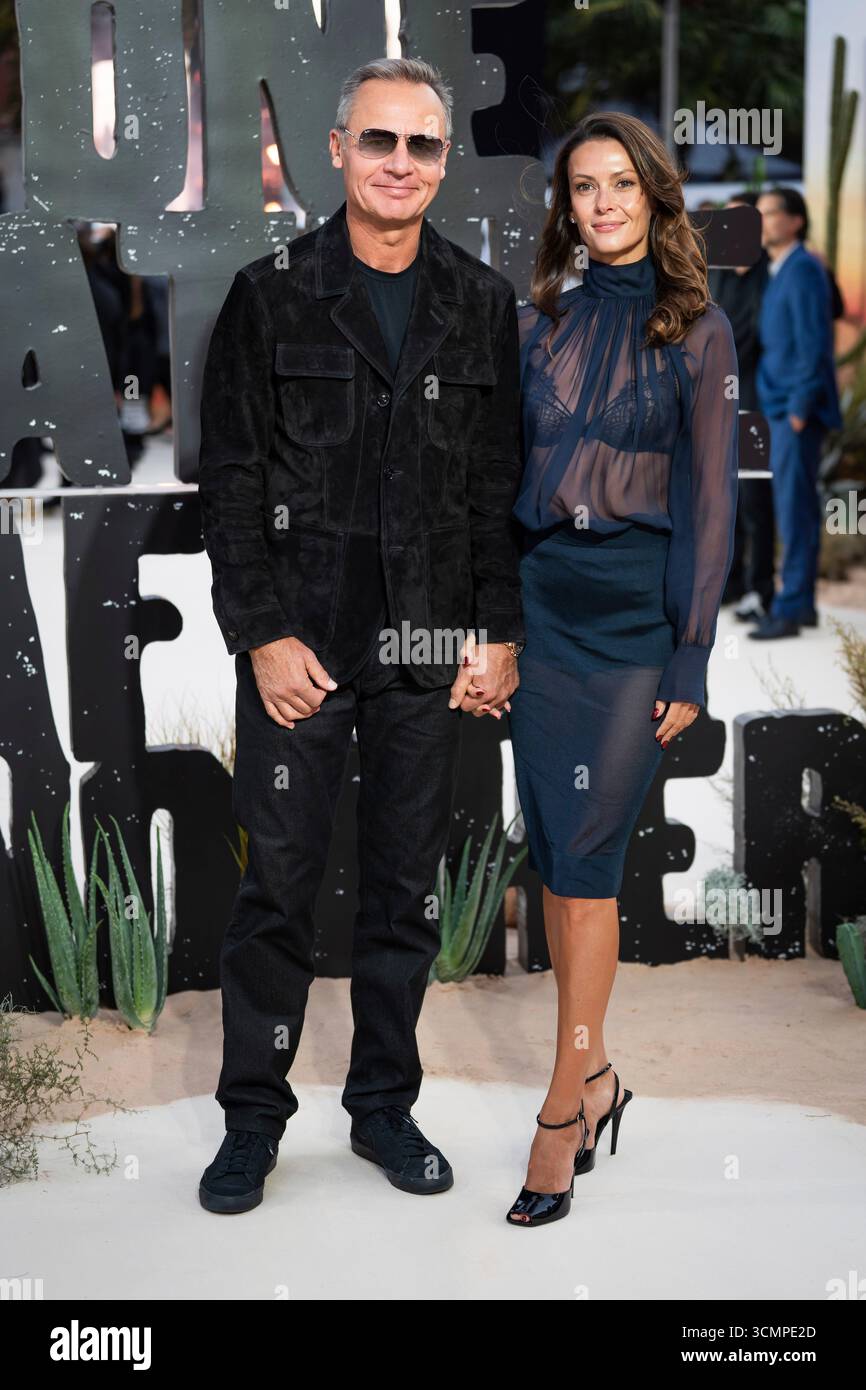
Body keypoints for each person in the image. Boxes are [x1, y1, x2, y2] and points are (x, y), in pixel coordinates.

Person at [196, 57, 525, 1214]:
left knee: (403, 894)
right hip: (306, 652)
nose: (400, 164)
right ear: (336, 151)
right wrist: (264, 635)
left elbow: (492, 490)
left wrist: (498, 631)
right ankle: (251, 1120)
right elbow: (231, 487)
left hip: (429, 654)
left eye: (422, 146)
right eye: (379, 142)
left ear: (443, 162)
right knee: (275, 891)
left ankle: (382, 1107)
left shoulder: (479, 303)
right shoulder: (269, 292)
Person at [505, 112, 738, 1227]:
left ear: (652, 194)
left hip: (633, 622)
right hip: (544, 611)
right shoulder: (537, 321)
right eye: (581, 188)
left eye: (618, 185)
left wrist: (689, 648)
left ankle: (562, 1108)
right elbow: (503, 483)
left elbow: (707, 503)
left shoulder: (696, 330)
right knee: (554, 860)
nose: (599, 204)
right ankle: (596, 1073)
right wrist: (491, 622)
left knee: (587, 865)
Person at [748, 186, 842, 640]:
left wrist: (801, 409)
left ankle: (789, 609)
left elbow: (814, 345)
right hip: (780, 406)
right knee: (794, 510)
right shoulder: (781, 268)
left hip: (794, 411)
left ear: (795, 221)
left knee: (794, 510)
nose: (761, 221)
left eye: (770, 213)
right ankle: (800, 605)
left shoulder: (803, 269)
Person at [707, 192, 775, 623]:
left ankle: (761, 588)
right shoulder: (720, 273)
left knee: (754, 498)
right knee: (725, 498)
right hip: (720, 403)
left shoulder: (771, 273)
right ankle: (732, 584)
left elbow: (749, 332)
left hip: (755, 403)